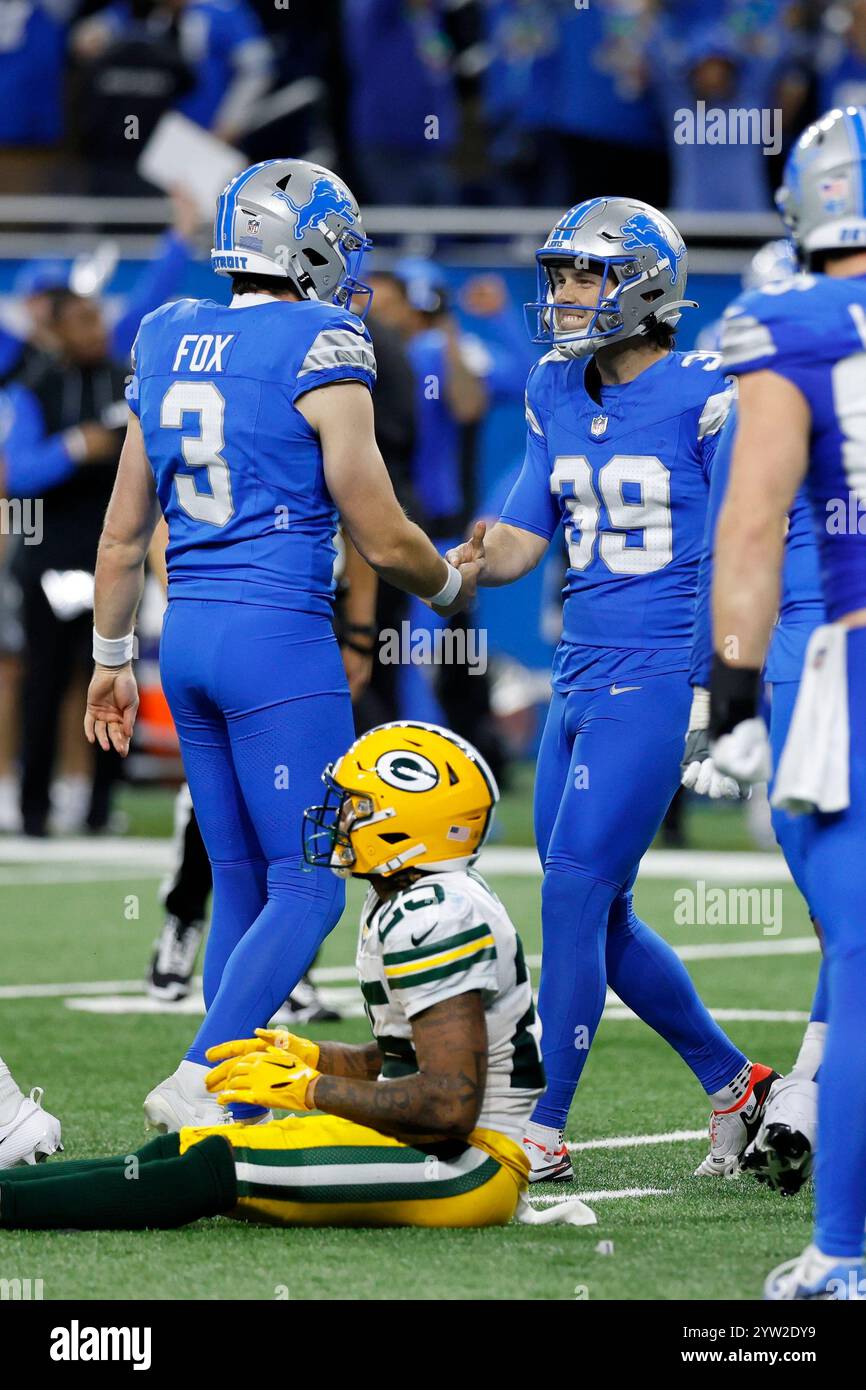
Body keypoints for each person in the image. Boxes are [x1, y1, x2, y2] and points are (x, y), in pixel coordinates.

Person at [83, 157, 482, 1134]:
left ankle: (229, 1102)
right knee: (310, 888)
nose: (349, 264)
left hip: (190, 639)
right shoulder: (320, 339)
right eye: (337, 241)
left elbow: (122, 532)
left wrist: (108, 659)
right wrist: (452, 582)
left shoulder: (170, 334)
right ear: (298, 245)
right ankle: (202, 1076)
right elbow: (382, 532)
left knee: (244, 884)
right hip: (277, 639)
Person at [448, 195, 779, 1182]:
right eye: (557, 275)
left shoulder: (707, 391)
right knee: (597, 901)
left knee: (574, 892)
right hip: (578, 673)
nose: (563, 294)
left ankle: (542, 1124)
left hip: (653, 671)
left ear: (643, 283)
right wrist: (466, 559)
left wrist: (707, 690)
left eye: (583, 274)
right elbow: (518, 531)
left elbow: (732, 546)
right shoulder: (553, 386)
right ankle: (735, 1082)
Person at [0, 725, 552, 1232]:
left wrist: (312, 1091)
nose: (337, 818)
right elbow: (406, 1057)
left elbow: (448, 1107)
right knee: (196, 1144)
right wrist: (314, 1056)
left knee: (214, 1166)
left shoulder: (434, 915)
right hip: (440, 1144)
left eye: (355, 807)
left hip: (466, 1165)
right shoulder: (415, 896)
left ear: (408, 825)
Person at [709, 105, 866, 1299]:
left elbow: (752, 523)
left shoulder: (792, 326)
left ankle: (842, 1252)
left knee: (856, 956)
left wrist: (729, 695)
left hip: (846, 661)